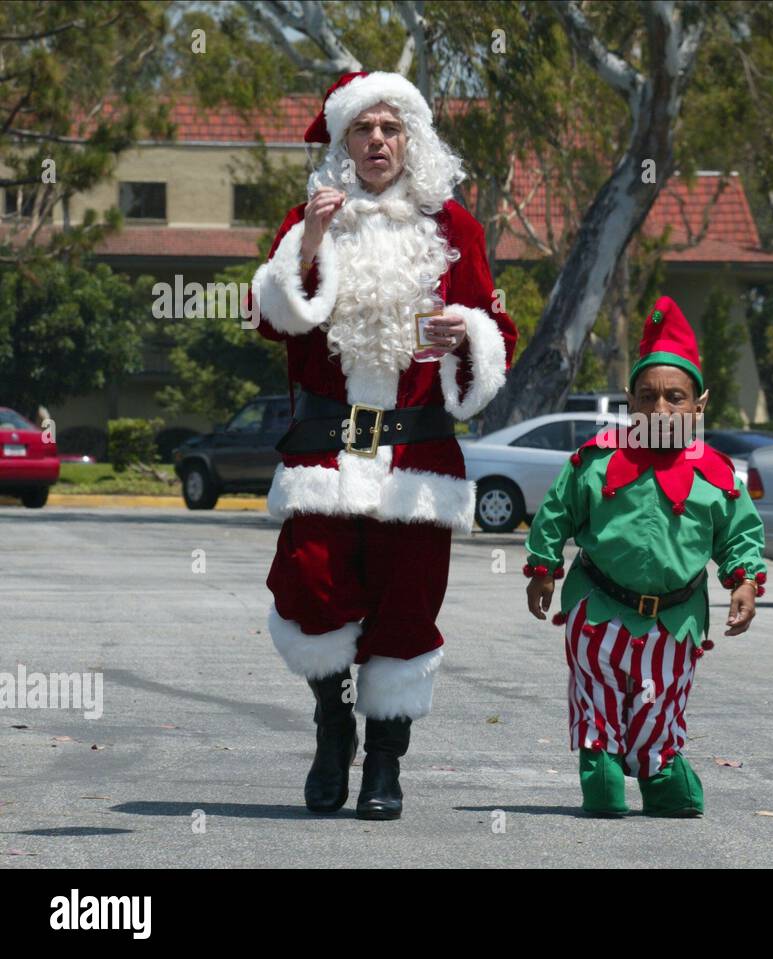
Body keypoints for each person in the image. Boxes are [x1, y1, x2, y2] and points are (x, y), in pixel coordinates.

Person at [249, 71, 517, 820]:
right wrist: (309, 241)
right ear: (342, 142)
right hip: (325, 458)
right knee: (313, 593)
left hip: (418, 459)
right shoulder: (307, 220)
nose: (376, 141)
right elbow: (274, 319)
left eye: (390, 128)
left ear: (412, 140)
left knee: (407, 605)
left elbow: (499, 329)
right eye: (362, 129)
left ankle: (385, 764)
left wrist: (468, 331)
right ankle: (334, 731)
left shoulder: (454, 227)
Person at [522, 296, 766, 817]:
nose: (660, 409)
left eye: (674, 397)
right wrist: (543, 570)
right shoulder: (596, 461)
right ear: (629, 400)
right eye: (648, 396)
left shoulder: (718, 475)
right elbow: (555, 514)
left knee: (660, 703)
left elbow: (739, 534)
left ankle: (660, 772)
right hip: (597, 613)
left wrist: (742, 582)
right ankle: (603, 771)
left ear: (699, 405)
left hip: (675, 622)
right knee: (600, 698)